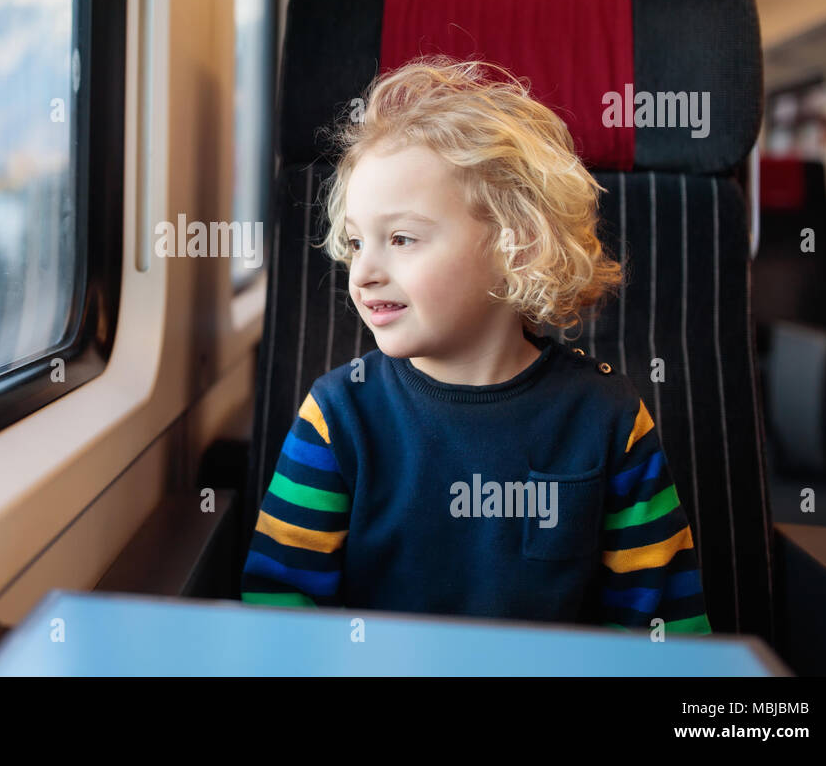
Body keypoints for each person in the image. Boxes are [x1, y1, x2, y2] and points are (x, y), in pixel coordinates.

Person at [240, 55, 713, 635]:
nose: (361, 271)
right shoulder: (338, 415)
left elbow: (665, 625)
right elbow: (279, 610)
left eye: (402, 238)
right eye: (357, 242)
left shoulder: (609, 418)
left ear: (515, 245)